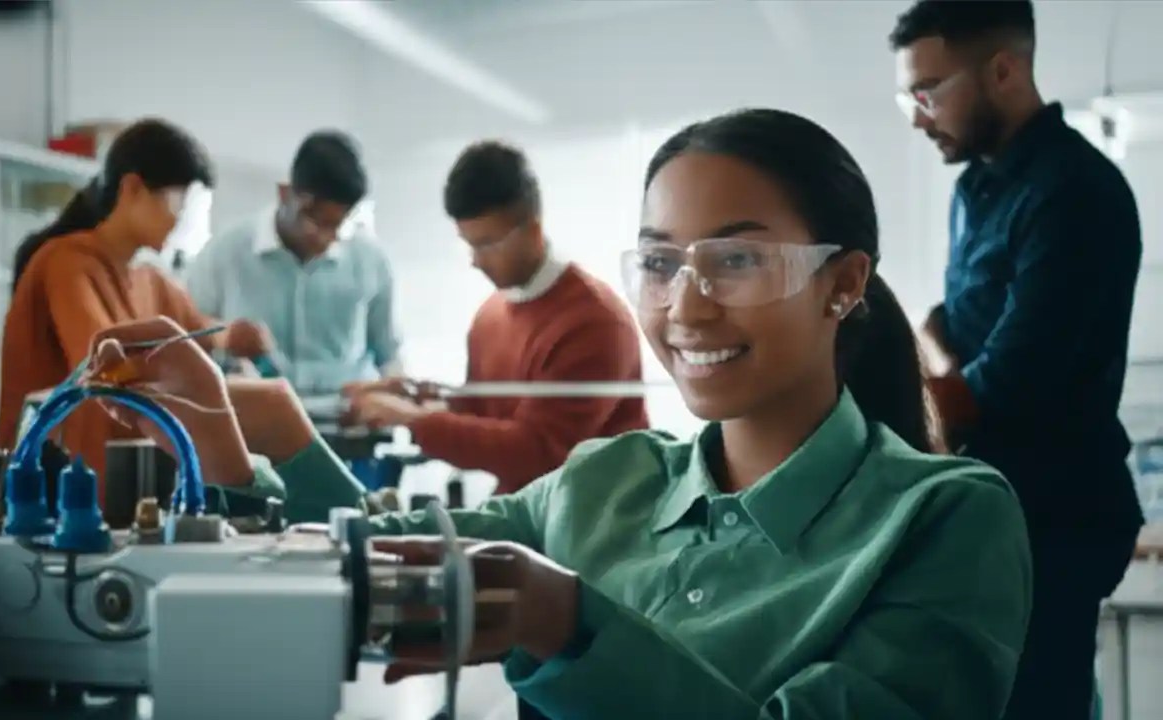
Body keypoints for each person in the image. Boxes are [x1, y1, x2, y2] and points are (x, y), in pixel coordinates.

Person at [91, 108, 1032, 719]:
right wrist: (239, 429)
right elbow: (368, 555)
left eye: (737, 260)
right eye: (660, 262)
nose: (686, 305)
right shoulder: (605, 481)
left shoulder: (946, 518)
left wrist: (569, 623)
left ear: (843, 285)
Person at [890, 2, 1143, 716]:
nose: (917, 116)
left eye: (928, 91)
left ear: (1003, 70)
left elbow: (1004, 383)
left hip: (1055, 520)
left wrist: (862, 419)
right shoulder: (975, 188)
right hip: (995, 502)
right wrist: (947, 363)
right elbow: (943, 323)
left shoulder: (1075, 192)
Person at [345, 141, 649, 494]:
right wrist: (412, 395)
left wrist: (412, 419)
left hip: (602, 521)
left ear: (533, 230)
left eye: (486, 244)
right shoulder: (490, 315)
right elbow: (482, 411)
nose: (475, 261)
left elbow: (536, 451)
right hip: (533, 510)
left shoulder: (595, 323)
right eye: (468, 244)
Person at [0, 118, 272, 495]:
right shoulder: (65, 262)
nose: (179, 218)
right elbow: (102, 364)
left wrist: (232, 338)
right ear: (132, 189)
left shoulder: (148, 279)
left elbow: (200, 330)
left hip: (120, 482)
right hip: (49, 488)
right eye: (178, 201)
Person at [185, 130, 403, 396]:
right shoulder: (225, 253)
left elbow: (389, 353)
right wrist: (226, 340)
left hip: (351, 427)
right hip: (257, 425)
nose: (326, 238)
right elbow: (188, 335)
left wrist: (397, 391)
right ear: (285, 194)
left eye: (338, 225)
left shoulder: (371, 260)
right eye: (316, 222)